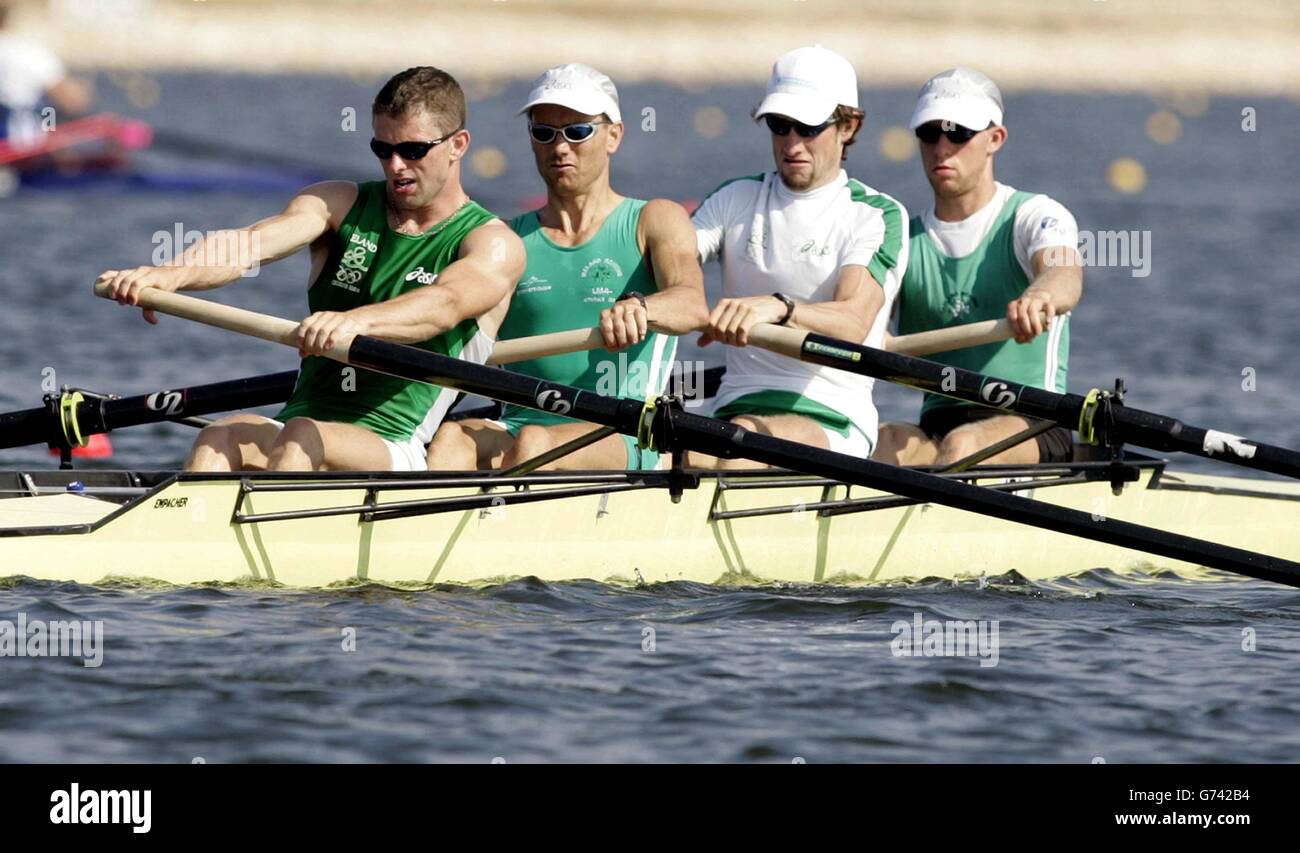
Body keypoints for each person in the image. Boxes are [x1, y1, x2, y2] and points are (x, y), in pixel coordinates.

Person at [99, 66, 525, 472]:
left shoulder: (492, 244)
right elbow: (247, 245)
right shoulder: (338, 203)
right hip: (299, 429)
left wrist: (352, 323)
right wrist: (169, 276)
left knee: (304, 437)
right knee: (221, 436)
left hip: (393, 446)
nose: (396, 165)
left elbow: (444, 305)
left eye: (413, 150)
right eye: (383, 149)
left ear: (458, 144)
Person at [426, 64, 708, 471]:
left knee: (535, 444)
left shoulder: (654, 220)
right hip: (520, 426)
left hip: (622, 431)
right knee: (452, 437)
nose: (560, 147)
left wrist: (643, 309)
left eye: (577, 132)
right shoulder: (505, 239)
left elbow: (693, 305)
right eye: (544, 133)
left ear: (614, 136)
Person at [690, 45, 908, 468]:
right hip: (732, 405)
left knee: (740, 448)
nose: (791, 142)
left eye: (808, 127)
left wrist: (779, 308)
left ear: (848, 125)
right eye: (779, 125)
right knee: (670, 454)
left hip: (832, 416)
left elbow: (852, 321)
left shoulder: (873, 214)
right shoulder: (734, 199)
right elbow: (670, 268)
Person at [873, 68, 1084, 467]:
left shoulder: (1035, 215)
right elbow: (862, 316)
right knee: (877, 441)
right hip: (937, 425)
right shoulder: (901, 238)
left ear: (995, 139)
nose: (942, 148)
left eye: (958, 134)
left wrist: (1041, 294)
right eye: (929, 133)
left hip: (1033, 421)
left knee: (964, 445)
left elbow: (1064, 274)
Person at [0, 1, 92, 146]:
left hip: (10, 135)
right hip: (20, 145)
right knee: (51, 114)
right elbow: (72, 100)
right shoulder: (26, 52)